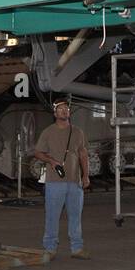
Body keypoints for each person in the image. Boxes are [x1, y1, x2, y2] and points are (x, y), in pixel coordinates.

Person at [33, 98, 90, 259]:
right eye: (60, 109)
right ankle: (50, 248)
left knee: (76, 216)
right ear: (55, 112)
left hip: (74, 181)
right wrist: (51, 161)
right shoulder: (48, 132)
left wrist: (85, 175)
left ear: (69, 112)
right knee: (52, 216)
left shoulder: (77, 132)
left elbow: (83, 154)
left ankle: (77, 249)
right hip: (54, 183)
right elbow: (38, 152)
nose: (64, 111)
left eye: (66, 109)